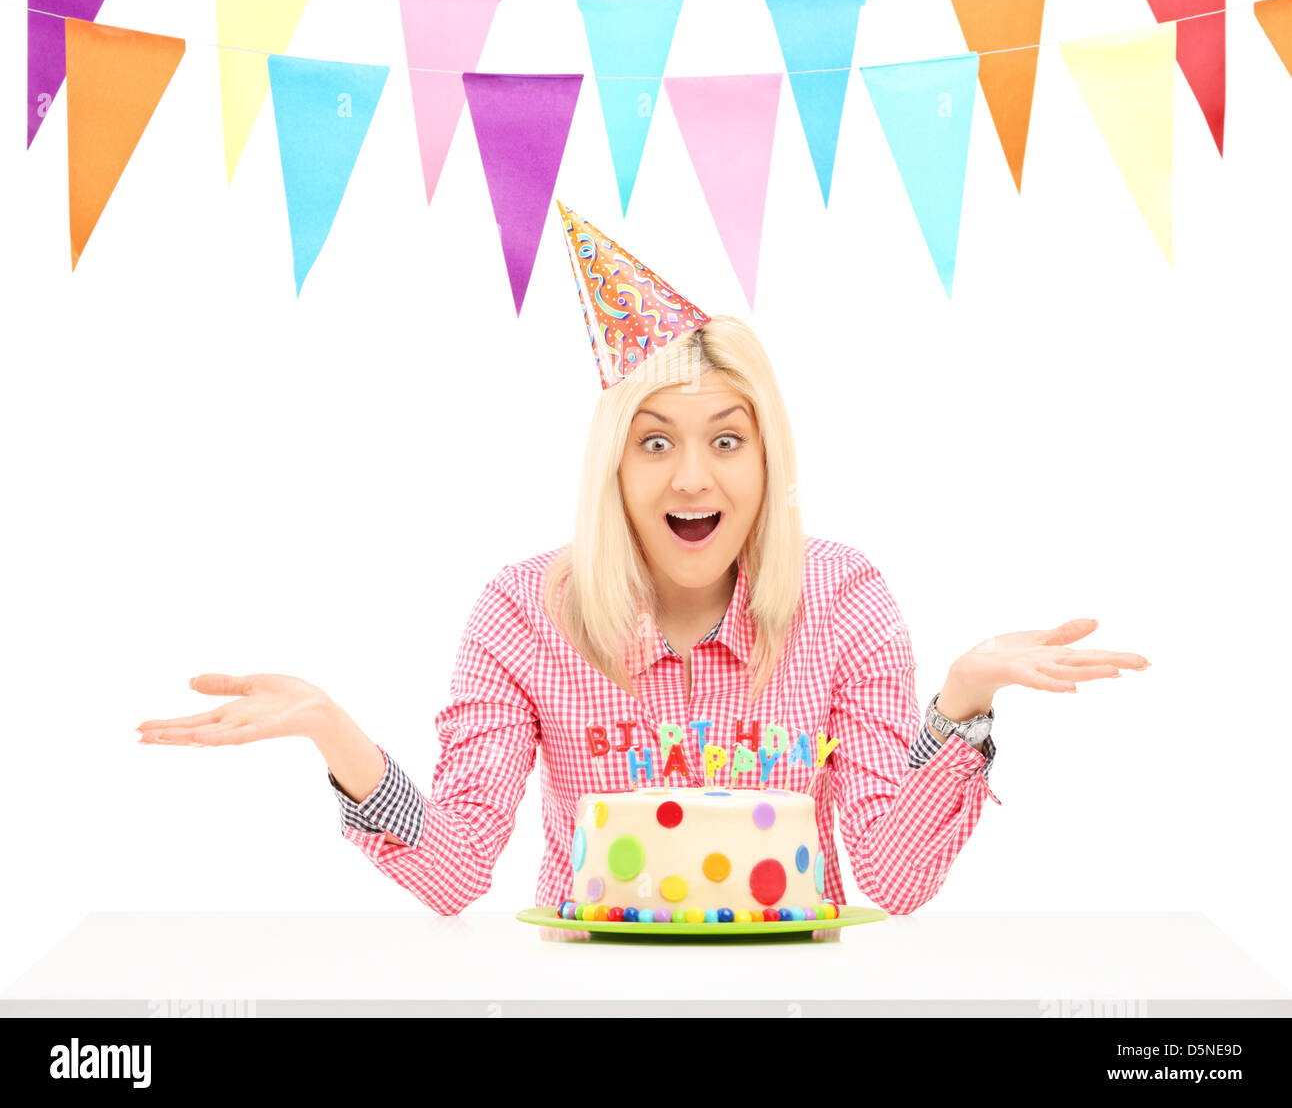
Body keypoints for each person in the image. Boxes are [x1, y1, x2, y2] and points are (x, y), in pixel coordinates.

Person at [136, 204, 1148, 917]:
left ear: (767, 458)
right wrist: (332, 729)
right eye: (655, 441)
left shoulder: (845, 599)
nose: (691, 478)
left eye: (726, 439)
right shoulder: (521, 612)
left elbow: (895, 877)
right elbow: (453, 872)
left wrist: (963, 702)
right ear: (613, 466)